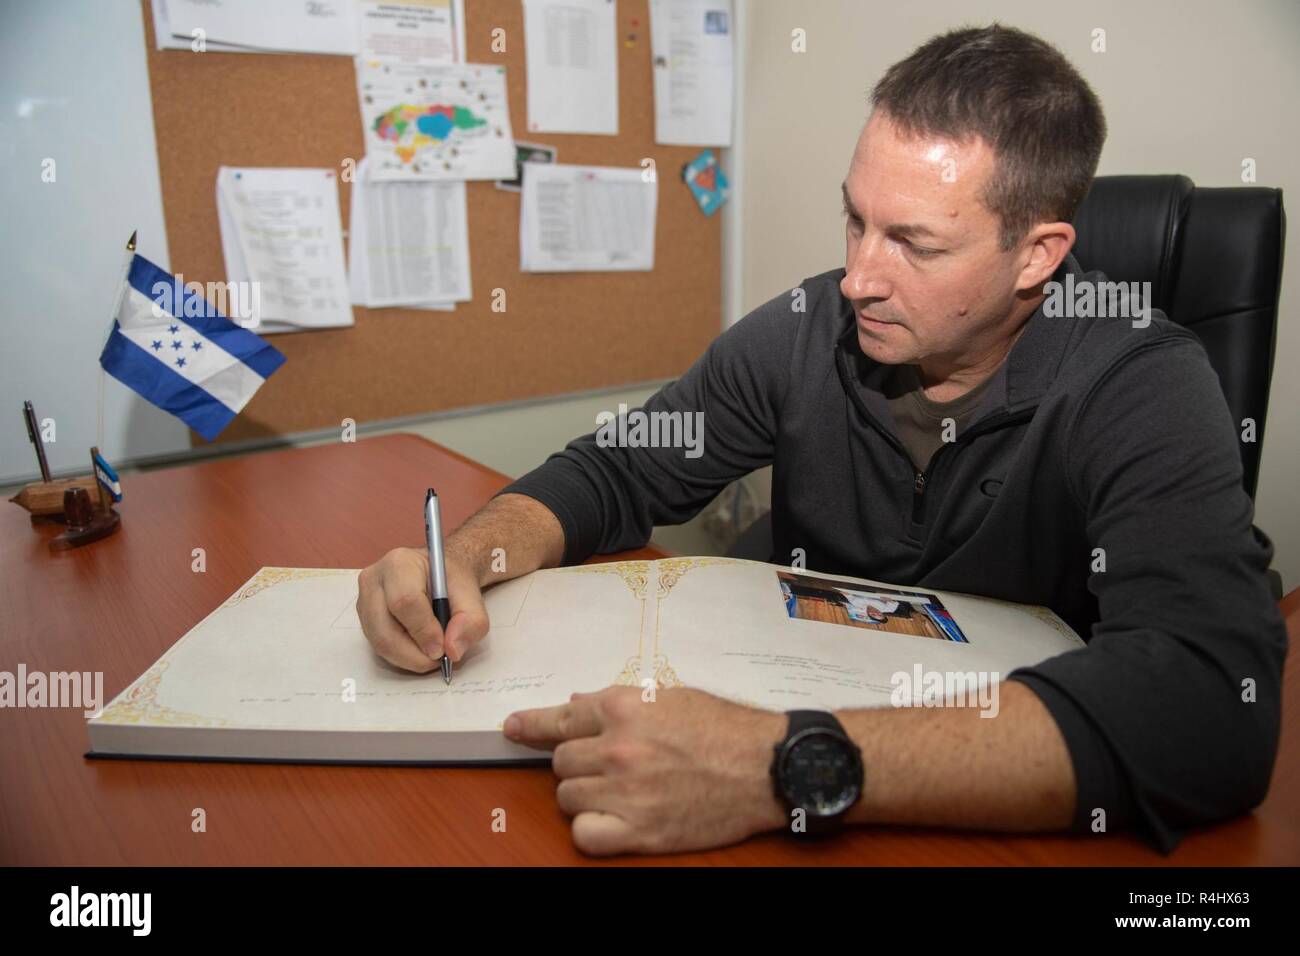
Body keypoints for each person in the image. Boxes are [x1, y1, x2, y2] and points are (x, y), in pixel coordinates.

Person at [357, 24, 1286, 857]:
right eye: (855, 219)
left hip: (992, 806)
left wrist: (781, 763)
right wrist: (473, 552)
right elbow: (620, 466)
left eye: (914, 245)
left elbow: (1209, 707)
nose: (857, 279)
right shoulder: (811, 327)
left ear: (1037, 256)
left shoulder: (1142, 380)